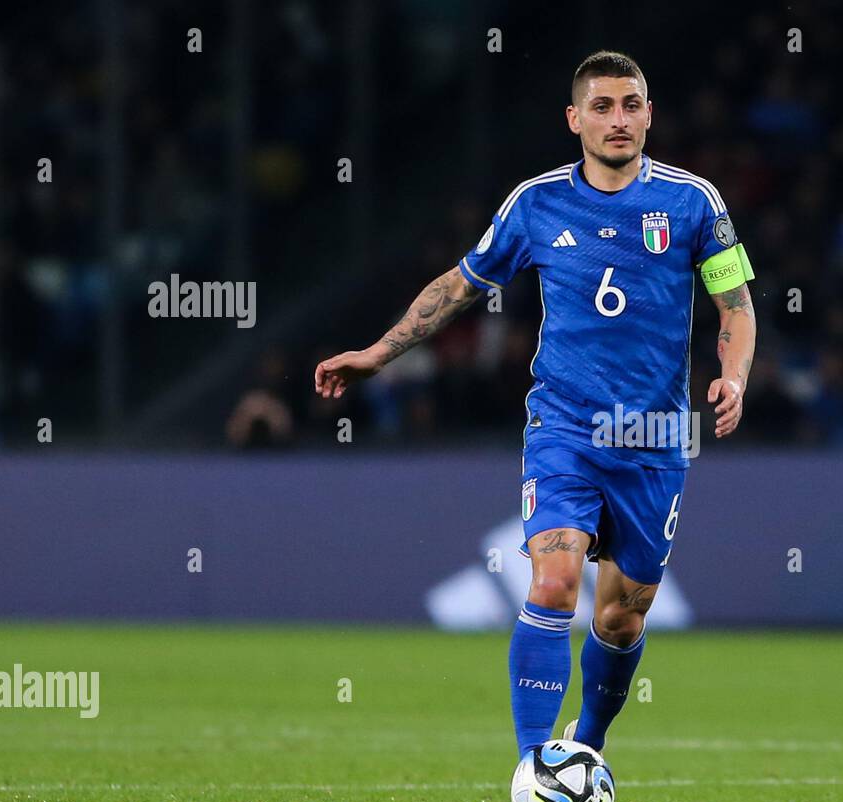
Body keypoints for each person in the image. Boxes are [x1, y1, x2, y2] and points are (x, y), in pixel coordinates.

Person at [314, 50, 756, 760]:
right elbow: (459, 286)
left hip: (654, 436)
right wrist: (378, 352)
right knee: (552, 584)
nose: (619, 119)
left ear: (650, 114)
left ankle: (585, 746)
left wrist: (733, 377)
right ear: (574, 118)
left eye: (632, 104)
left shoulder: (694, 202)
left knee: (618, 618)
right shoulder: (536, 202)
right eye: (603, 106)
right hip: (566, 428)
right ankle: (533, 766)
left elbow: (735, 305)